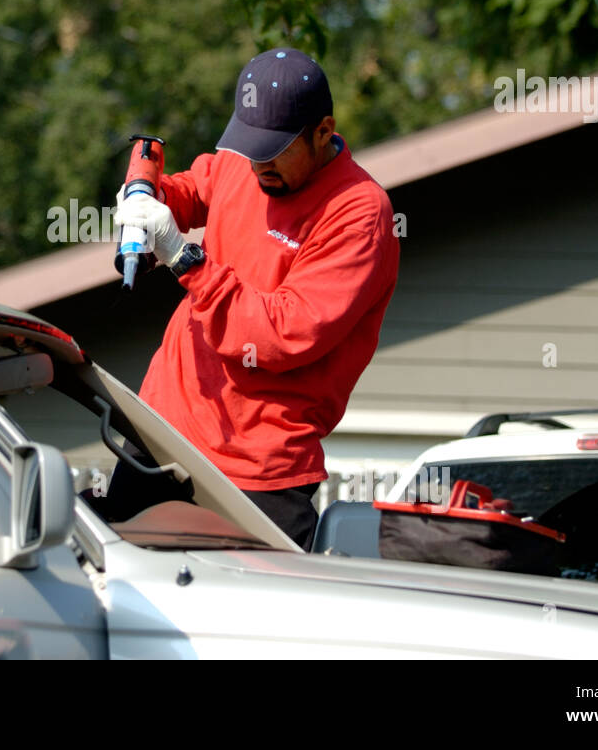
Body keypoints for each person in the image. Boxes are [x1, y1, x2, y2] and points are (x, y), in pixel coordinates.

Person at [107, 47, 400, 548]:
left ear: (324, 131)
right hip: (164, 434)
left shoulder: (360, 213)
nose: (258, 161)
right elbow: (192, 188)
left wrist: (183, 258)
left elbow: (280, 335)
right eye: (250, 145)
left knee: (254, 623)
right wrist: (146, 197)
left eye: (274, 149)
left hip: (257, 470)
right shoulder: (244, 160)